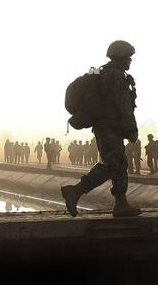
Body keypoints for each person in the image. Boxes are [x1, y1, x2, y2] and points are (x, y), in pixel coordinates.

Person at [59, 40, 142, 218]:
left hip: (105, 126)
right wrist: (132, 129)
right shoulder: (117, 76)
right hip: (110, 126)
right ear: (121, 57)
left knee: (120, 164)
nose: (130, 61)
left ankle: (121, 204)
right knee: (112, 163)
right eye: (128, 57)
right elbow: (123, 105)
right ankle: (75, 191)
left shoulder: (100, 72)